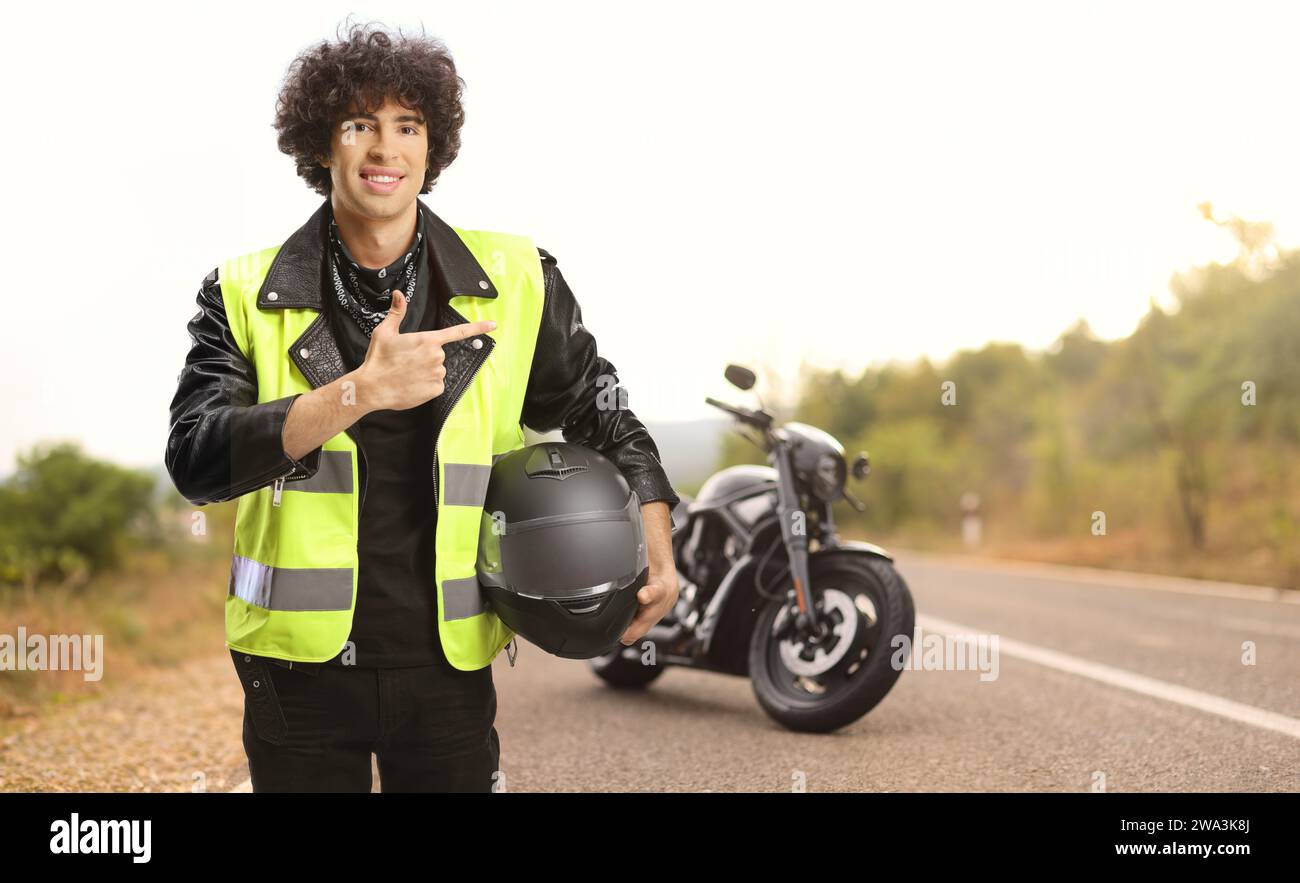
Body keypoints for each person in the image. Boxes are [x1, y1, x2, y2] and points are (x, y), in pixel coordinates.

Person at [165, 20, 680, 792]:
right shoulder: (241, 291)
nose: (386, 148)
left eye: (408, 125)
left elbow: (604, 412)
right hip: (296, 672)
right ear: (319, 145)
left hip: (448, 662)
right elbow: (197, 458)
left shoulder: (517, 278)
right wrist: (355, 393)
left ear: (432, 147)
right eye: (359, 125)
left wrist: (659, 547)